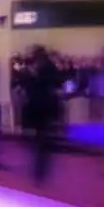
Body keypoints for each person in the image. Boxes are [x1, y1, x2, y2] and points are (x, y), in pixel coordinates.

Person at [22, 46, 64, 187]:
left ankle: (40, 175)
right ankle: (39, 174)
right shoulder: (45, 69)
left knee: (42, 143)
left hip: (44, 110)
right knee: (41, 143)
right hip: (43, 111)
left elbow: (45, 88)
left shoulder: (46, 70)